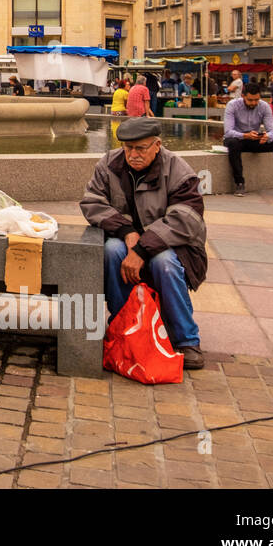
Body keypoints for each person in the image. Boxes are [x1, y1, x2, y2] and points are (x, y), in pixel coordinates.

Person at [80, 118, 207, 370]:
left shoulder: (178, 170)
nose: (133, 155)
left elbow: (185, 218)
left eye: (141, 148)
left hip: (172, 246)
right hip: (124, 240)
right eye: (128, 148)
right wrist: (126, 231)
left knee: (164, 263)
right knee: (111, 251)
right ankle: (124, 326)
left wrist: (143, 247)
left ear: (157, 145)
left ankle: (186, 339)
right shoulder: (109, 164)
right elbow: (92, 202)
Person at [224, 82, 273, 198]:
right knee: (233, 143)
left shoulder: (264, 106)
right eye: (250, 100)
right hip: (237, 138)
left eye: (256, 100)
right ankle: (239, 183)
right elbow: (228, 132)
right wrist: (245, 135)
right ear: (243, 96)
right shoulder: (232, 105)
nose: (254, 103)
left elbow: (272, 131)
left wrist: (267, 136)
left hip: (255, 139)